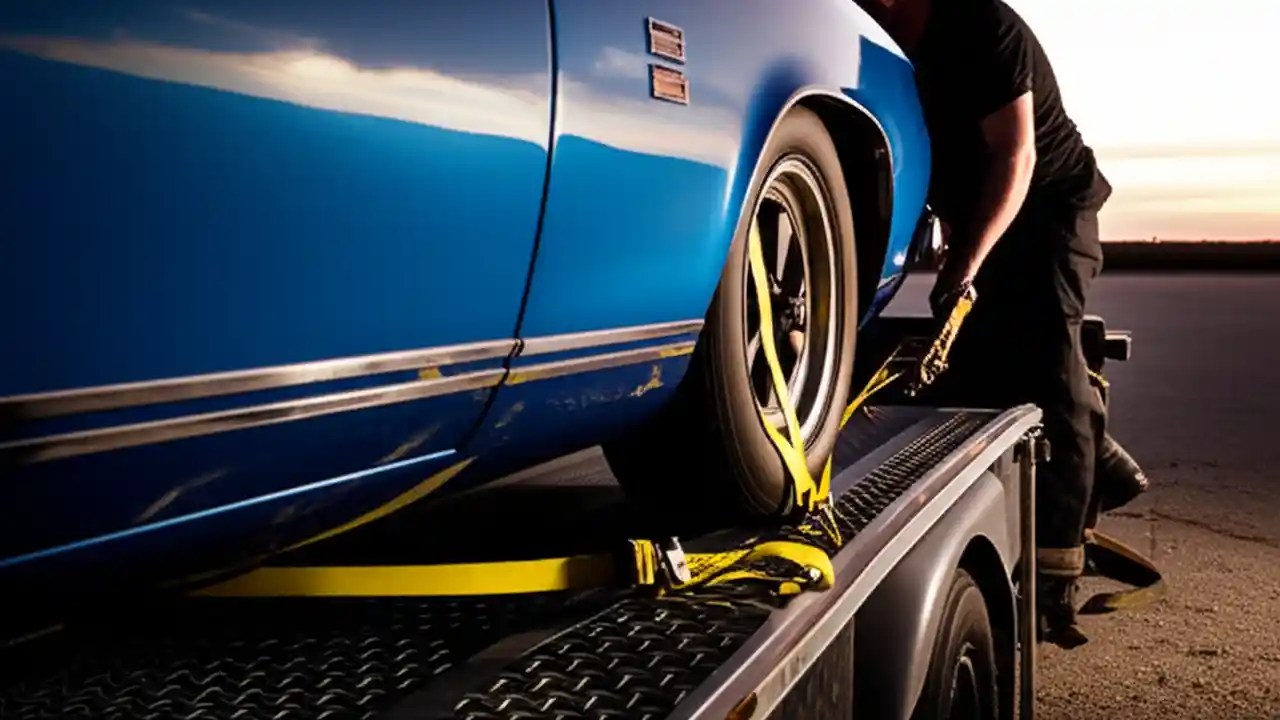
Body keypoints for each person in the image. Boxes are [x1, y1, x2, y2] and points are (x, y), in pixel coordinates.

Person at [855, 0, 1146, 646]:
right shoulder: (886, 43)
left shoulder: (984, 28)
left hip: (1050, 209)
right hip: (982, 212)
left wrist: (963, 268)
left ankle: (1055, 581)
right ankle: (1107, 464)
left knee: (1048, 364)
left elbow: (1015, 158)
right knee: (982, 371)